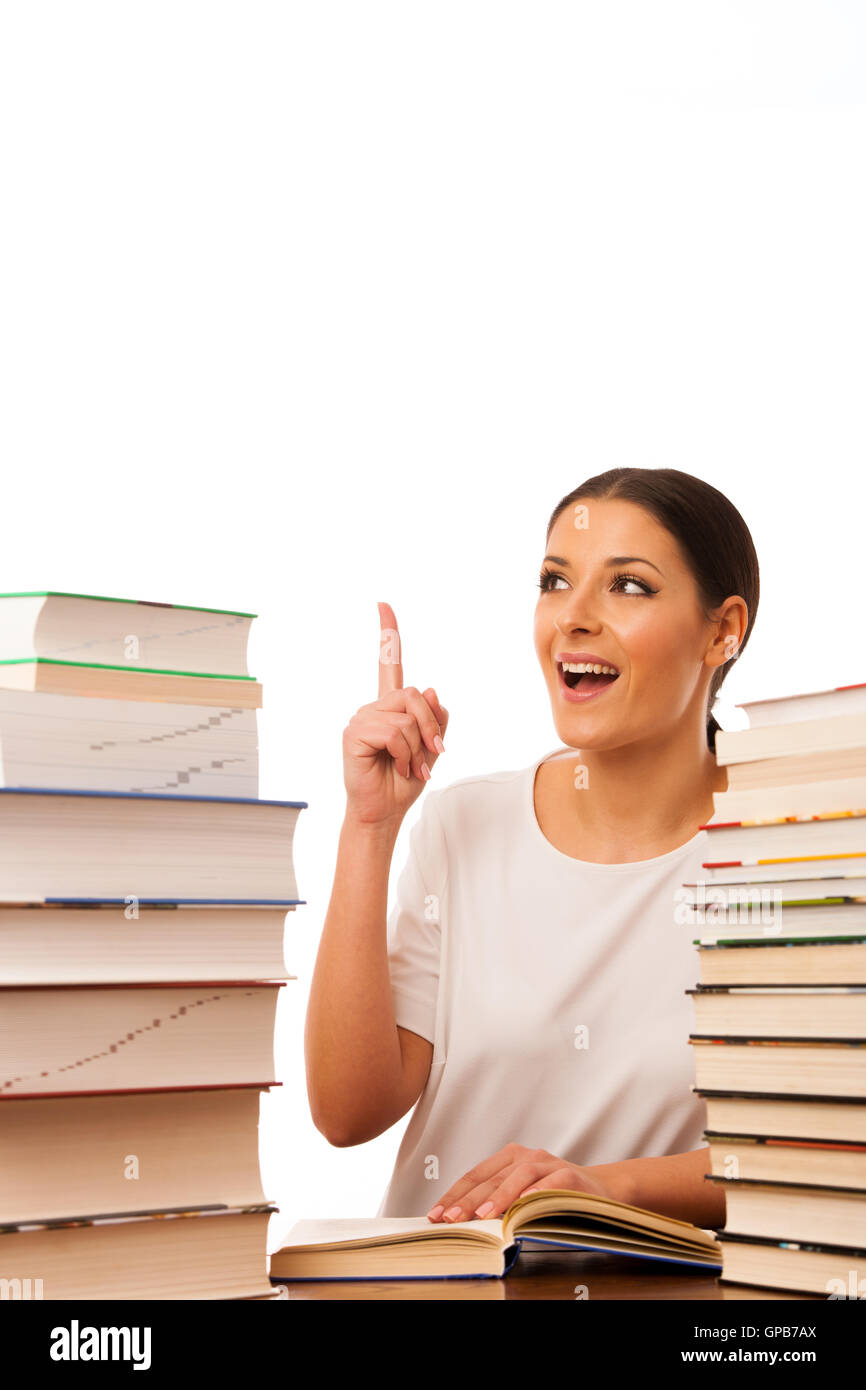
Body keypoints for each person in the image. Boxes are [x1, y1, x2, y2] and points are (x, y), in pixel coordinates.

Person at [305, 467, 757, 1227]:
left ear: (723, 630)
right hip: (431, 1287)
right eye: (554, 581)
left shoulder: (791, 850)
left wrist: (608, 1189)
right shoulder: (463, 827)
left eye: (630, 587)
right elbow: (347, 1115)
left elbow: (819, 1147)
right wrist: (368, 829)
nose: (572, 618)